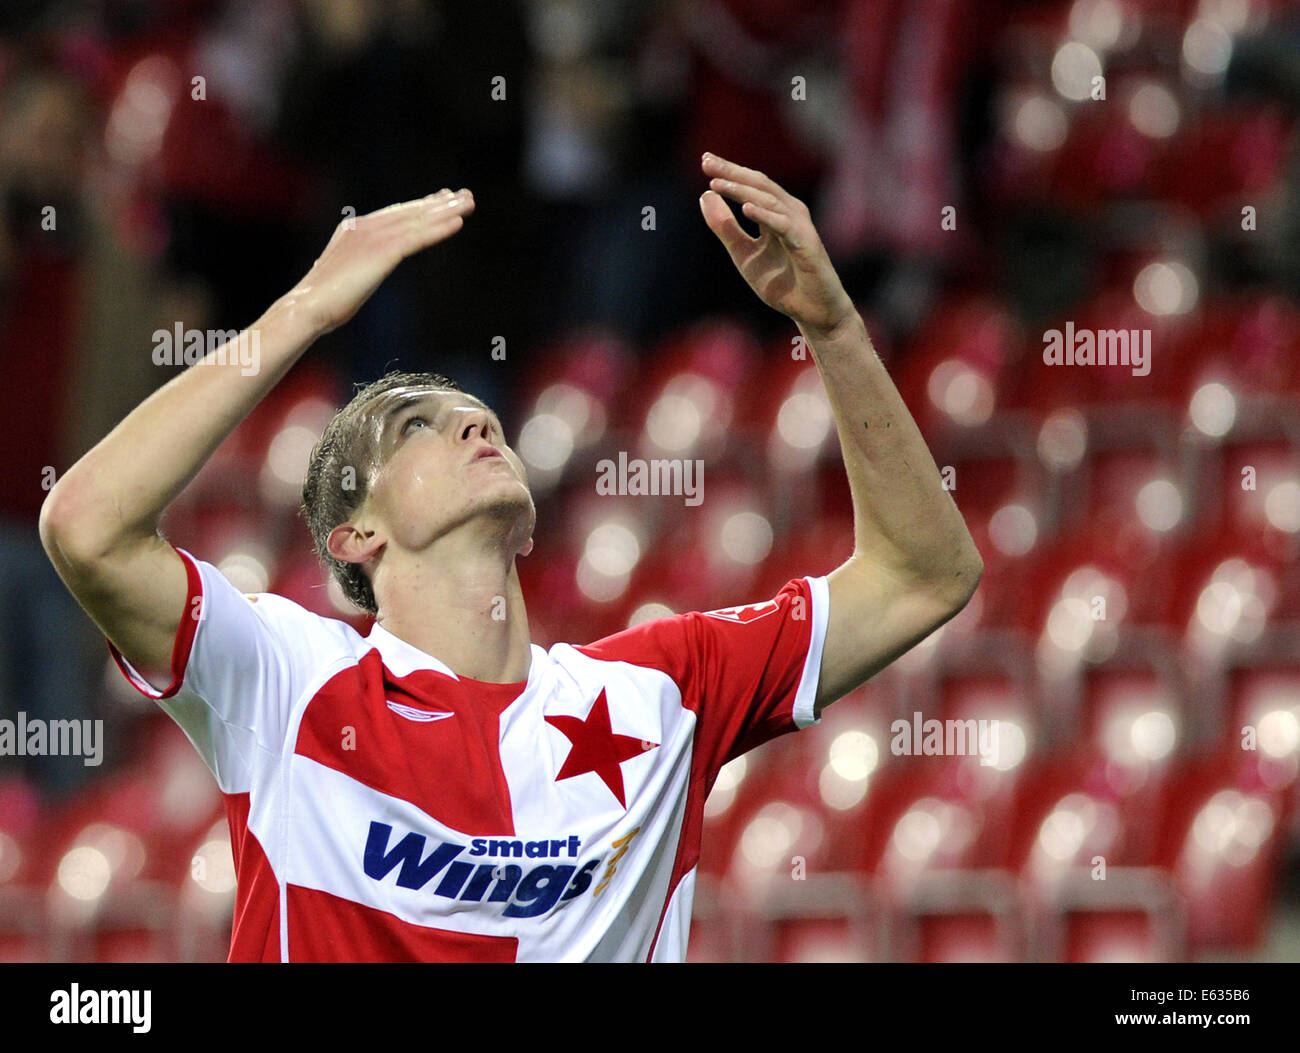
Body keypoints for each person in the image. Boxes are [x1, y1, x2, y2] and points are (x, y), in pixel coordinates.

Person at [39, 153, 983, 962]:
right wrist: (306, 311)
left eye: (476, 415)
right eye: (418, 426)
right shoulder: (289, 683)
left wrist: (833, 328)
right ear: (353, 536)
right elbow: (85, 526)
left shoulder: (663, 691)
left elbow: (923, 573)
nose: (476, 422)